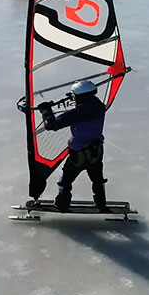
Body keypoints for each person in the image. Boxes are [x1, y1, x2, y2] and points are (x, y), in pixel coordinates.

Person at [37, 80, 109, 212]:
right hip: (96, 152)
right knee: (98, 180)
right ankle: (101, 205)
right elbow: (84, 106)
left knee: (65, 181)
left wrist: (46, 110)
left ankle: (62, 205)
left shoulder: (78, 113)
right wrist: (73, 96)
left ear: (80, 96)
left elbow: (50, 125)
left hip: (78, 155)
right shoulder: (99, 106)